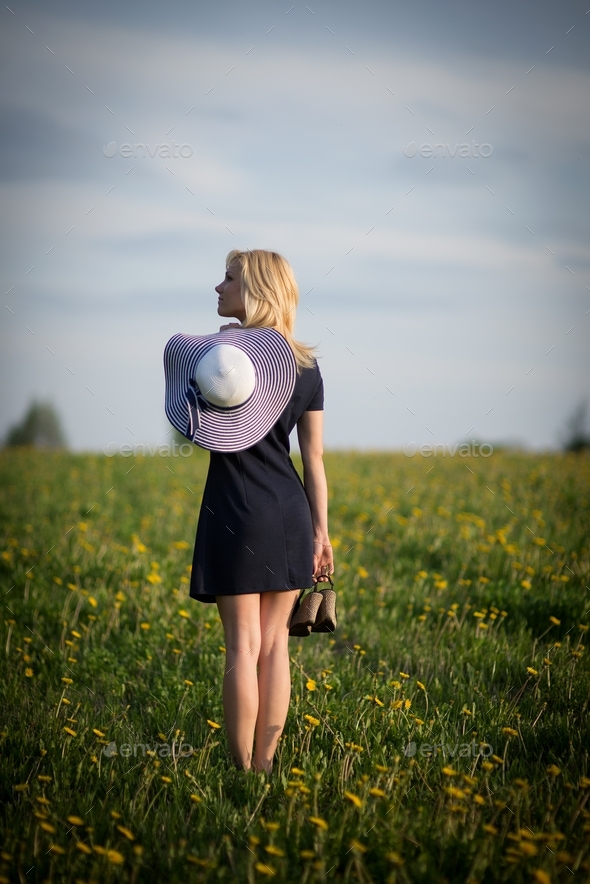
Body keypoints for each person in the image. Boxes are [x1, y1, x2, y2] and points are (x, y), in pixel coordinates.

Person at [190, 249, 333, 773]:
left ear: (255, 291)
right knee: (275, 648)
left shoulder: (222, 361)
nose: (218, 287)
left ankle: (239, 771)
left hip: (234, 509)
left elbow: (192, 416)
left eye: (228, 279)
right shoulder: (306, 365)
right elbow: (313, 459)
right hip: (290, 512)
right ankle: (266, 767)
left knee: (240, 649)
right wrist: (322, 533)